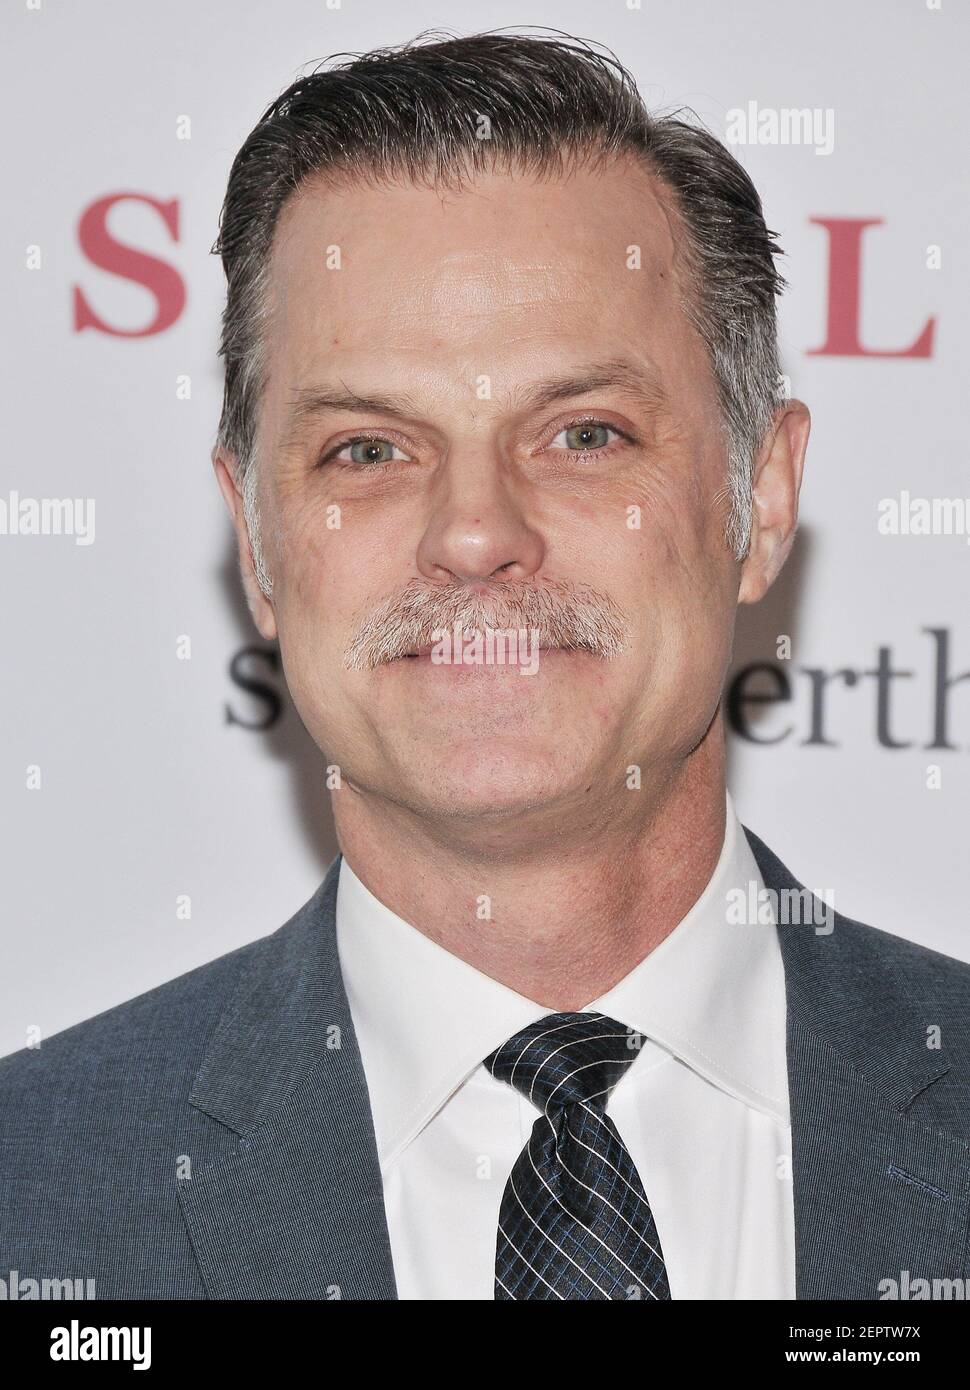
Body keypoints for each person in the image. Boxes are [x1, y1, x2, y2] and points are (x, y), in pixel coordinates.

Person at [3, 31, 968, 1302]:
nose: (473, 533)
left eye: (582, 432)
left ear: (762, 498)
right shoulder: (35, 1190)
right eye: (367, 448)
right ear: (255, 539)